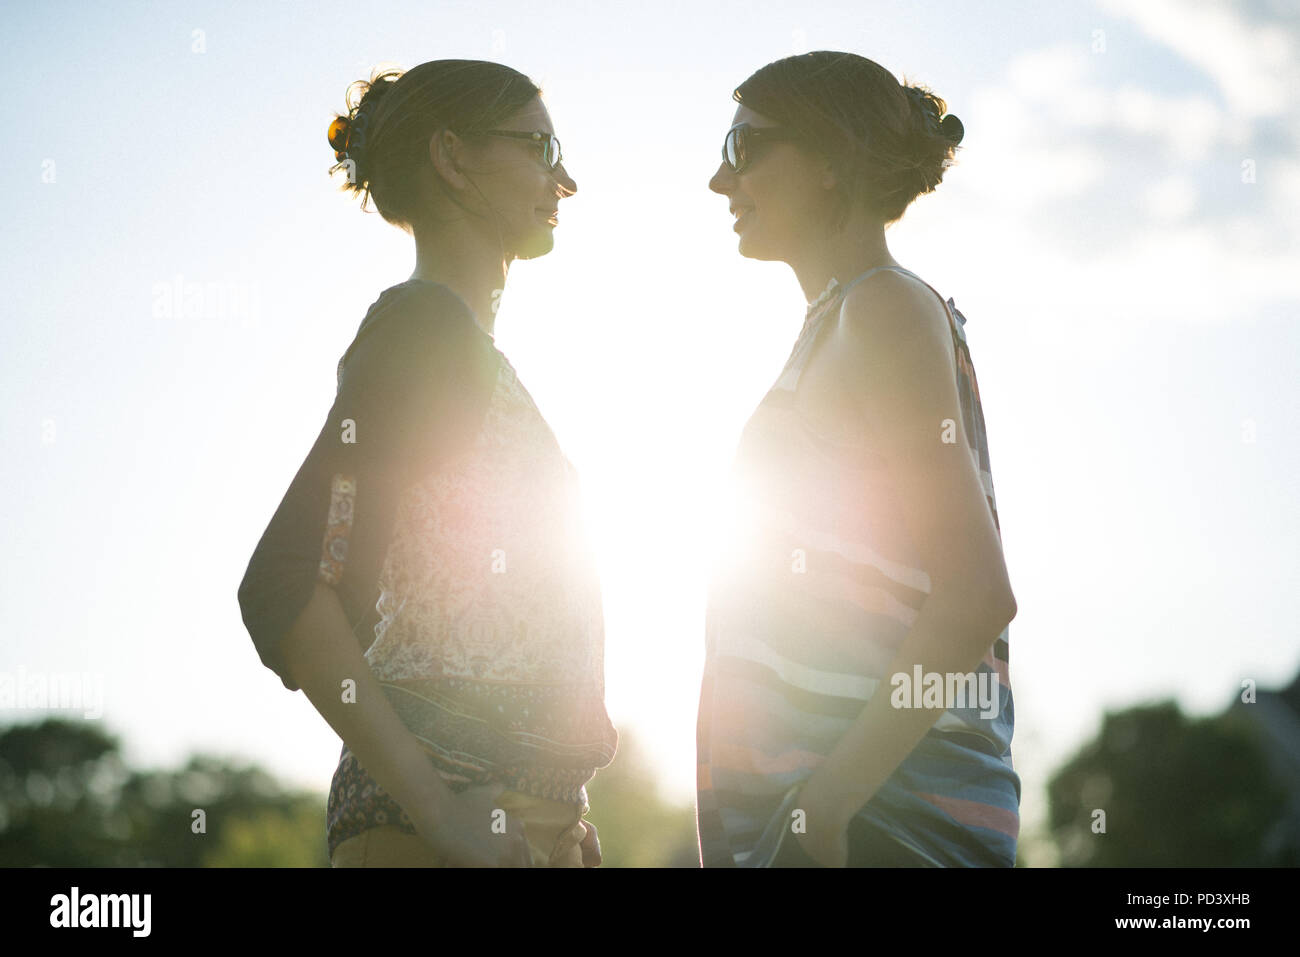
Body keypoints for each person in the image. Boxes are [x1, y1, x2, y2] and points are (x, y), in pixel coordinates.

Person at [236, 60, 617, 867]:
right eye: (542, 149)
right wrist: (441, 813)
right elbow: (284, 585)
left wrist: (561, 816)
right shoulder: (426, 327)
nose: (567, 181)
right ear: (452, 157)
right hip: (430, 836)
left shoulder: (468, 350)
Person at [696, 51, 1020, 867]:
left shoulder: (884, 306)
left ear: (831, 160)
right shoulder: (843, 318)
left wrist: (828, 805)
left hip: (887, 829)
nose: (719, 179)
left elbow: (976, 594)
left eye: (743, 148)